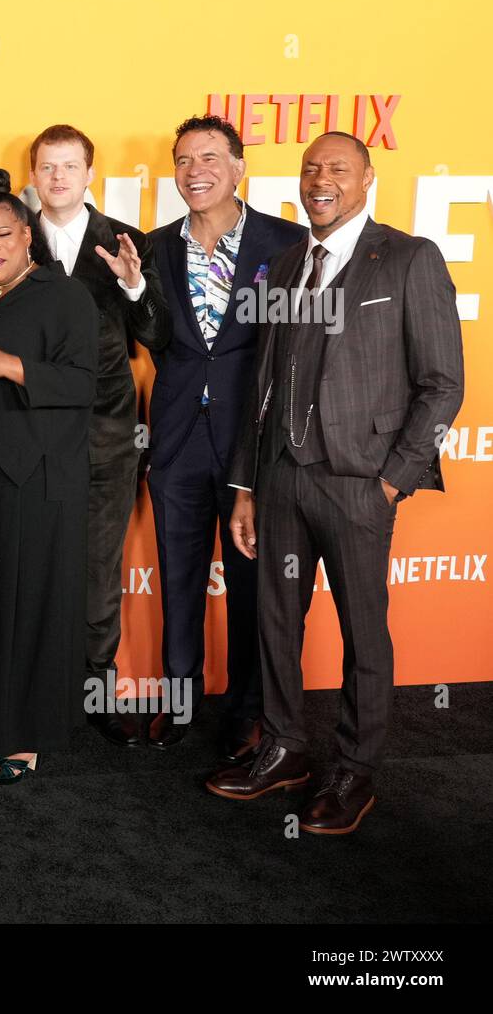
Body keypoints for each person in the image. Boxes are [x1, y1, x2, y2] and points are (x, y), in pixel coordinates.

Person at [207, 132, 464, 835]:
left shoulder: (410, 258)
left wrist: (392, 480)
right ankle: (284, 746)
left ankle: (354, 768)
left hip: (358, 484)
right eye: (310, 169)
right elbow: (264, 384)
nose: (320, 180)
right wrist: (247, 487)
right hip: (281, 478)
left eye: (338, 169)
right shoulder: (287, 265)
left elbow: (444, 386)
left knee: (363, 634)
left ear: (367, 179)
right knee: (274, 622)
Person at [144, 115, 304, 756]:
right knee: (177, 578)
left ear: (240, 167)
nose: (195, 170)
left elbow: (297, 350)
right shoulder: (152, 247)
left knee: (250, 584)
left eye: (210, 157)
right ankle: (179, 702)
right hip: (177, 436)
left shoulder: (287, 242)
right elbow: (151, 334)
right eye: (183, 159)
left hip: (253, 443)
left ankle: (247, 711)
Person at [0, 169, 98, 783]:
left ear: (27, 236)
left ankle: (23, 734)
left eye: (3, 234)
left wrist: (9, 364)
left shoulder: (64, 296)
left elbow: (84, 384)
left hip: (34, 477)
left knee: (27, 601)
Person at [27, 124, 172, 747]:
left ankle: (97, 688)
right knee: (29, 566)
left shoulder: (124, 241)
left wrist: (135, 286)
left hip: (108, 438)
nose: (57, 177)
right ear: (33, 176)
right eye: (46, 167)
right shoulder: (11, 236)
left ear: (89, 174)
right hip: (28, 438)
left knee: (95, 571)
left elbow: (157, 338)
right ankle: (32, 692)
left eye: (69, 166)